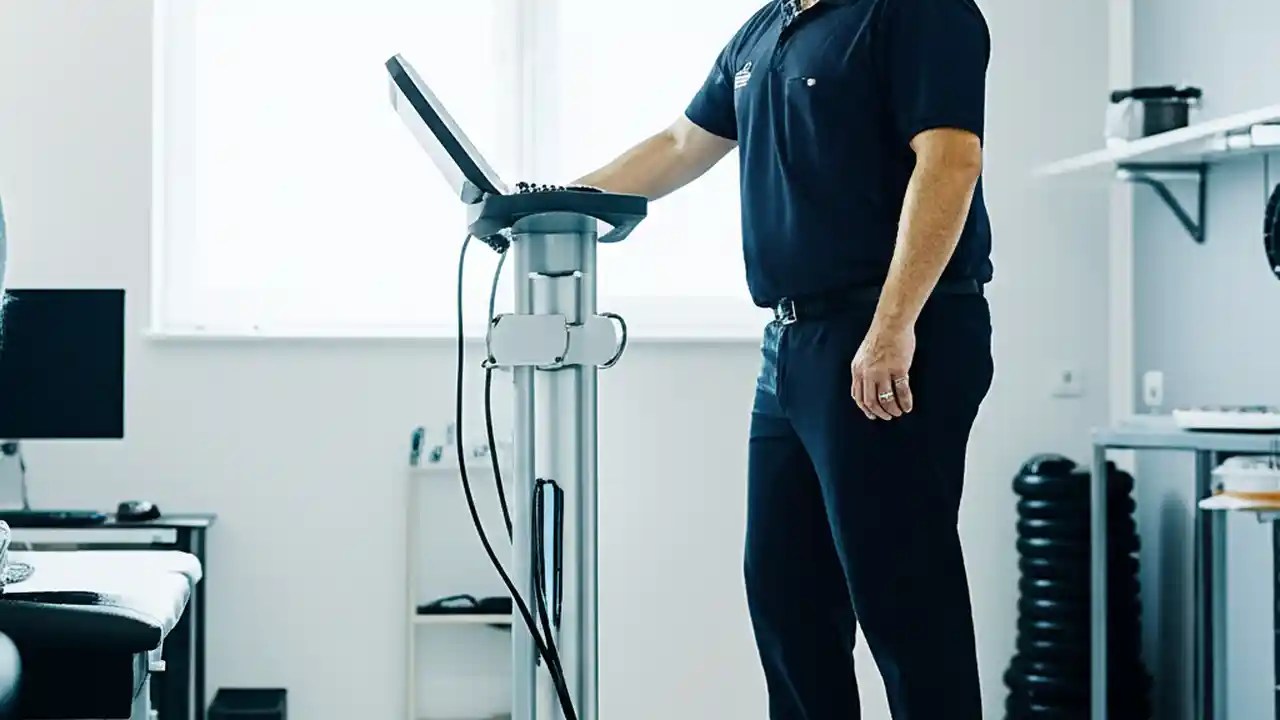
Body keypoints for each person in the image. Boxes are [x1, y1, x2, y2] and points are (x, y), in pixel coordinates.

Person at [574, 0, 993, 717]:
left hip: (890, 331)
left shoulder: (916, 11)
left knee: (904, 602)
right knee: (786, 595)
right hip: (792, 342)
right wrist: (553, 203)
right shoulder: (765, 30)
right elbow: (680, 145)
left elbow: (952, 159)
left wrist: (892, 326)